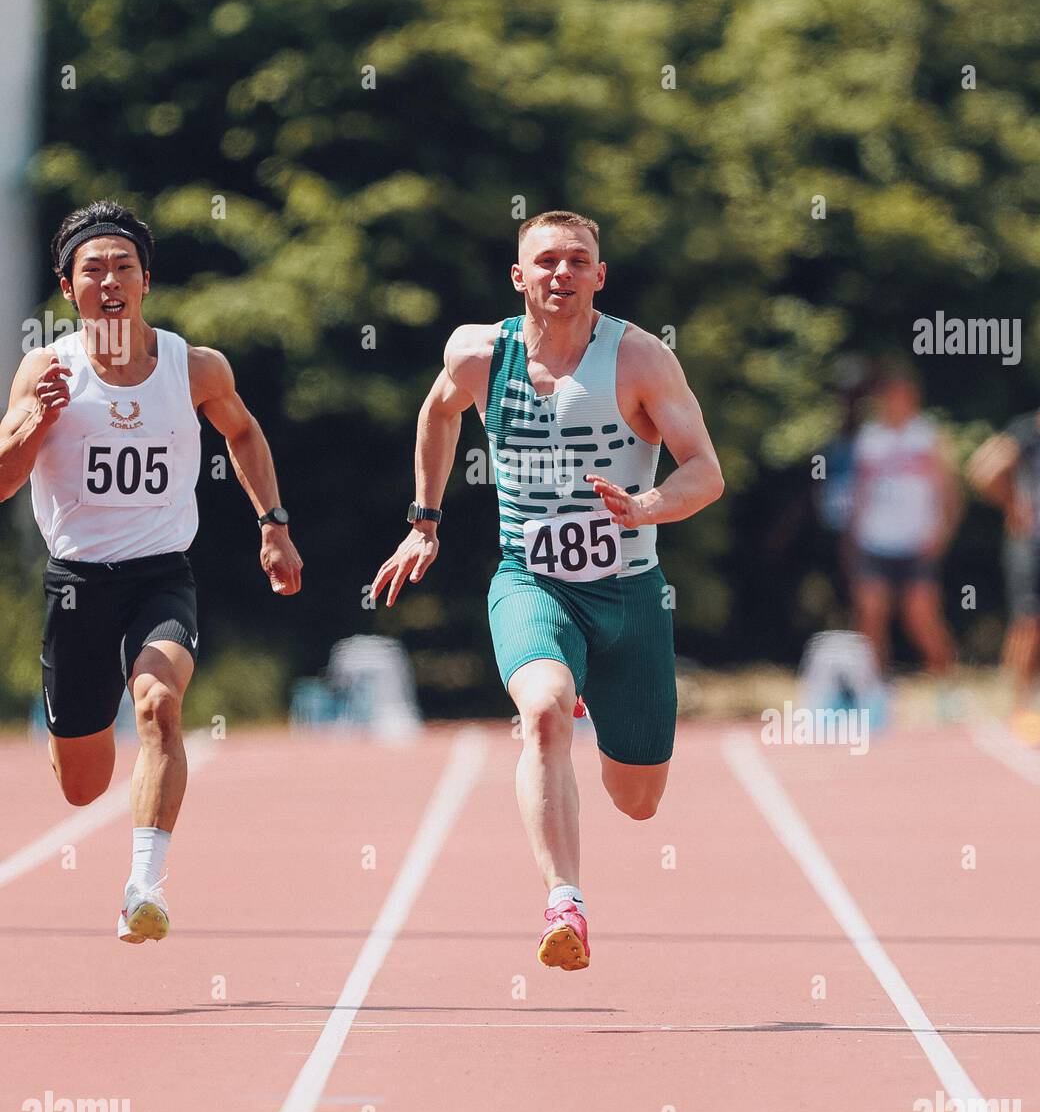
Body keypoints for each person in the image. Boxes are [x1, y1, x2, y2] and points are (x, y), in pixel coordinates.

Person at [372, 210, 724, 970]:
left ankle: (588, 691)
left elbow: (705, 470)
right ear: (519, 276)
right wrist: (423, 522)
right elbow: (438, 417)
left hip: (631, 595)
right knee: (542, 713)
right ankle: (564, 901)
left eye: (577, 261)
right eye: (546, 261)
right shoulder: (479, 353)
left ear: (599, 275)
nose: (561, 274)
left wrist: (649, 505)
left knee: (638, 801)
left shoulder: (639, 359)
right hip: (532, 583)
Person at [0, 201, 303, 943]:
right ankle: (71, 730)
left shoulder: (194, 366)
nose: (110, 281)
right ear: (69, 289)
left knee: (158, 704)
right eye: (92, 270)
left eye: (123, 267)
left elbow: (244, 430)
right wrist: (36, 423)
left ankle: (144, 885)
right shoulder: (47, 368)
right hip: (76, 584)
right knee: (82, 783)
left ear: (145, 281)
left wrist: (273, 526)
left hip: (161, 576)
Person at [849, 362, 960, 684]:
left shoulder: (926, 436)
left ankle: (945, 685)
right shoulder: (869, 438)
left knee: (921, 618)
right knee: (870, 616)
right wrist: (854, 537)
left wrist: (941, 532)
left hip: (916, 541)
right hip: (875, 540)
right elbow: (860, 492)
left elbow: (950, 493)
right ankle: (875, 690)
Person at [967, 413, 1040, 736]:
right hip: (1031, 542)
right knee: (1029, 622)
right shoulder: (1026, 432)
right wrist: (1012, 504)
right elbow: (982, 470)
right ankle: (1019, 708)